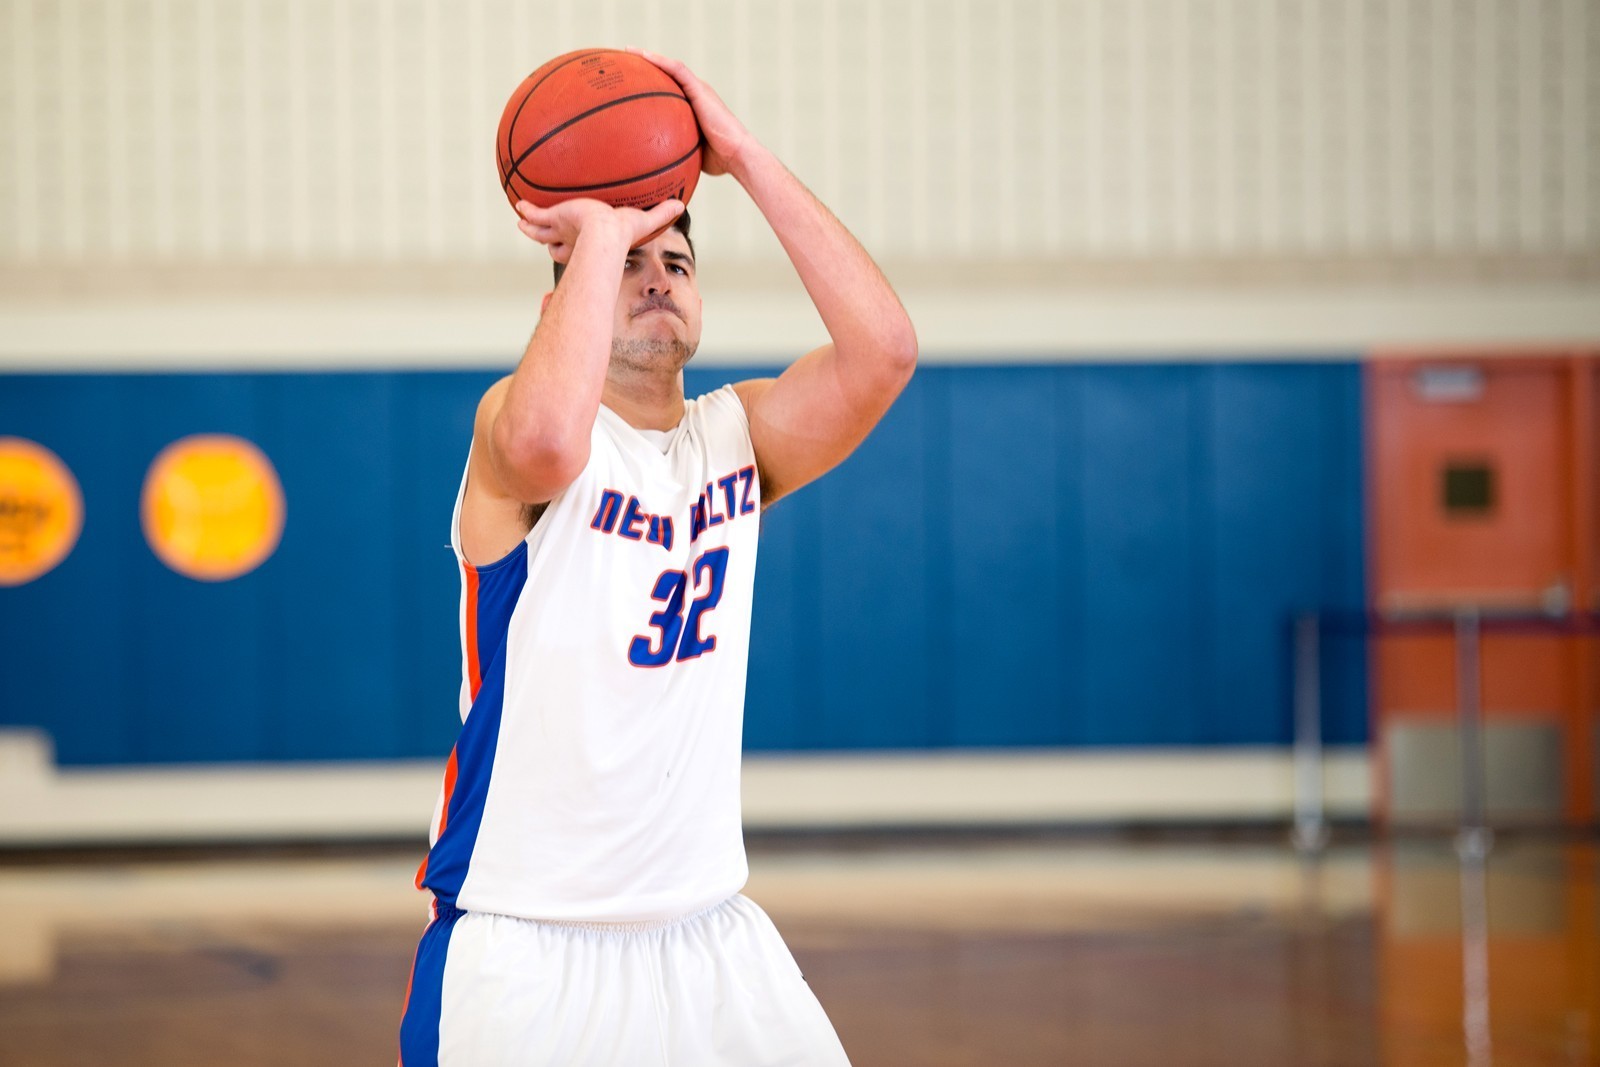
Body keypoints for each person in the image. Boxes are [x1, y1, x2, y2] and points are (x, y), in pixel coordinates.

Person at [398, 49, 916, 1066]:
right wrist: (601, 228)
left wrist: (747, 157)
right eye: (628, 265)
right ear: (565, 305)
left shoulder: (741, 434)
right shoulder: (518, 430)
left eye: (674, 262)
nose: (655, 278)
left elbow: (884, 352)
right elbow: (550, 439)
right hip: (526, 942)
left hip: (709, 931)